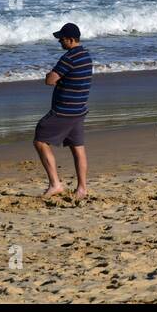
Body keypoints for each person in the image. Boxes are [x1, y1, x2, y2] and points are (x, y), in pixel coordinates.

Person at [34, 23, 92, 198]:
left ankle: (55, 184)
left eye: (62, 39)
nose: (60, 41)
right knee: (78, 148)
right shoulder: (86, 56)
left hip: (64, 110)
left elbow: (50, 80)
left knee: (40, 140)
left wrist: (51, 77)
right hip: (79, 109)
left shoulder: (69, 57)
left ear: (71, 39)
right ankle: (82, 188)